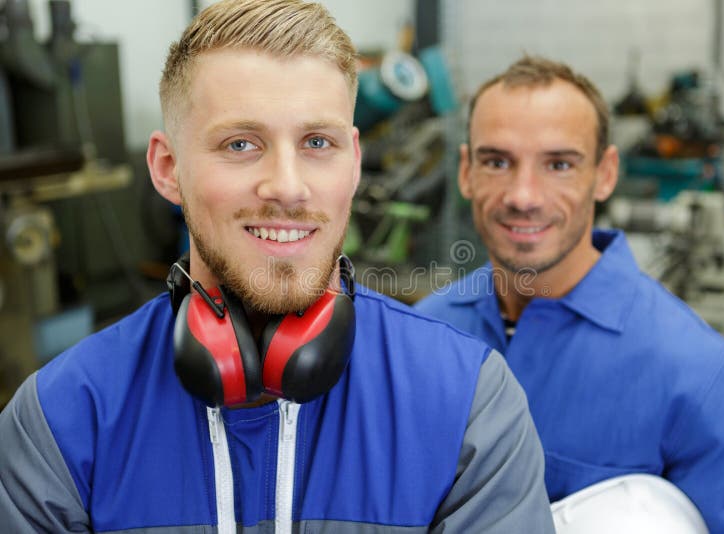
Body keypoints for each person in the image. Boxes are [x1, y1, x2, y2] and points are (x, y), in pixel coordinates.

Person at [0, 4, 556, 533]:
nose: (288, 187)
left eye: (318, 142)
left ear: (354, 161)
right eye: (241, 144)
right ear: (168, 168)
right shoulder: (59, 421)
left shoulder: (467, 406)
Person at [415, 55, 724, 532]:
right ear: (466, 171)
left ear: (605, 174)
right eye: (497, 161)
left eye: (559, 164)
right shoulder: (425, 337)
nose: (524, 195)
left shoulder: (701, 378)